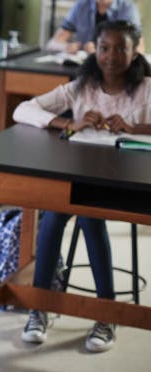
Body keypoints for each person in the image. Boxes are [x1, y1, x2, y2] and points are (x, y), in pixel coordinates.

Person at [14, 19, 151, 353]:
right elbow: (23, 109)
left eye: (122, 48)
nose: (112, 56)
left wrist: (136, 128)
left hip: (130, 183)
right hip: (83, 176)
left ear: (135, 53)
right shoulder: (82, 87)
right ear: (95, 49)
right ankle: (42, 308)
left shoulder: (146, 88)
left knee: (86, 212)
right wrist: (70, 123)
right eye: (105, 47)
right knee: (56, 211)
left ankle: (104, 313)